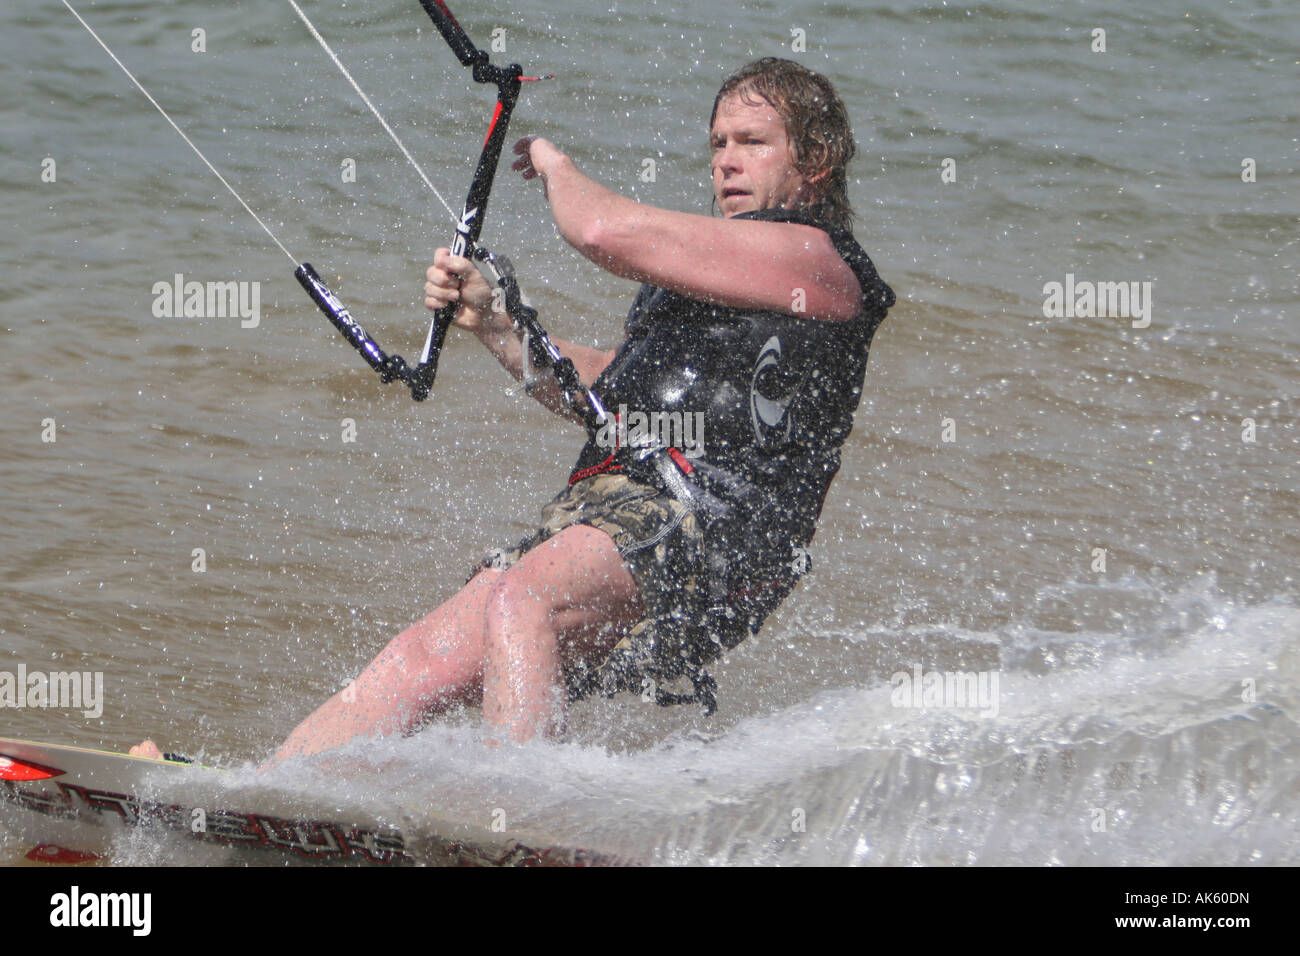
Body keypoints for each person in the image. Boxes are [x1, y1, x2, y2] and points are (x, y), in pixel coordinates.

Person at [134, 57, 894, 764]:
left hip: (723, 526)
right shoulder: (703, 282)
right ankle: (264, 793)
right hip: (623, 507)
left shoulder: (821, 263)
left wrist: (555, 166)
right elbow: (606, 396)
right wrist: (494, 324)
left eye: (753, 142)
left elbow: (600, 229)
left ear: (815, 161)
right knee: (426, 653)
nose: (725, 158)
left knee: (525, 597)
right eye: (718, 141)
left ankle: (521, 816)